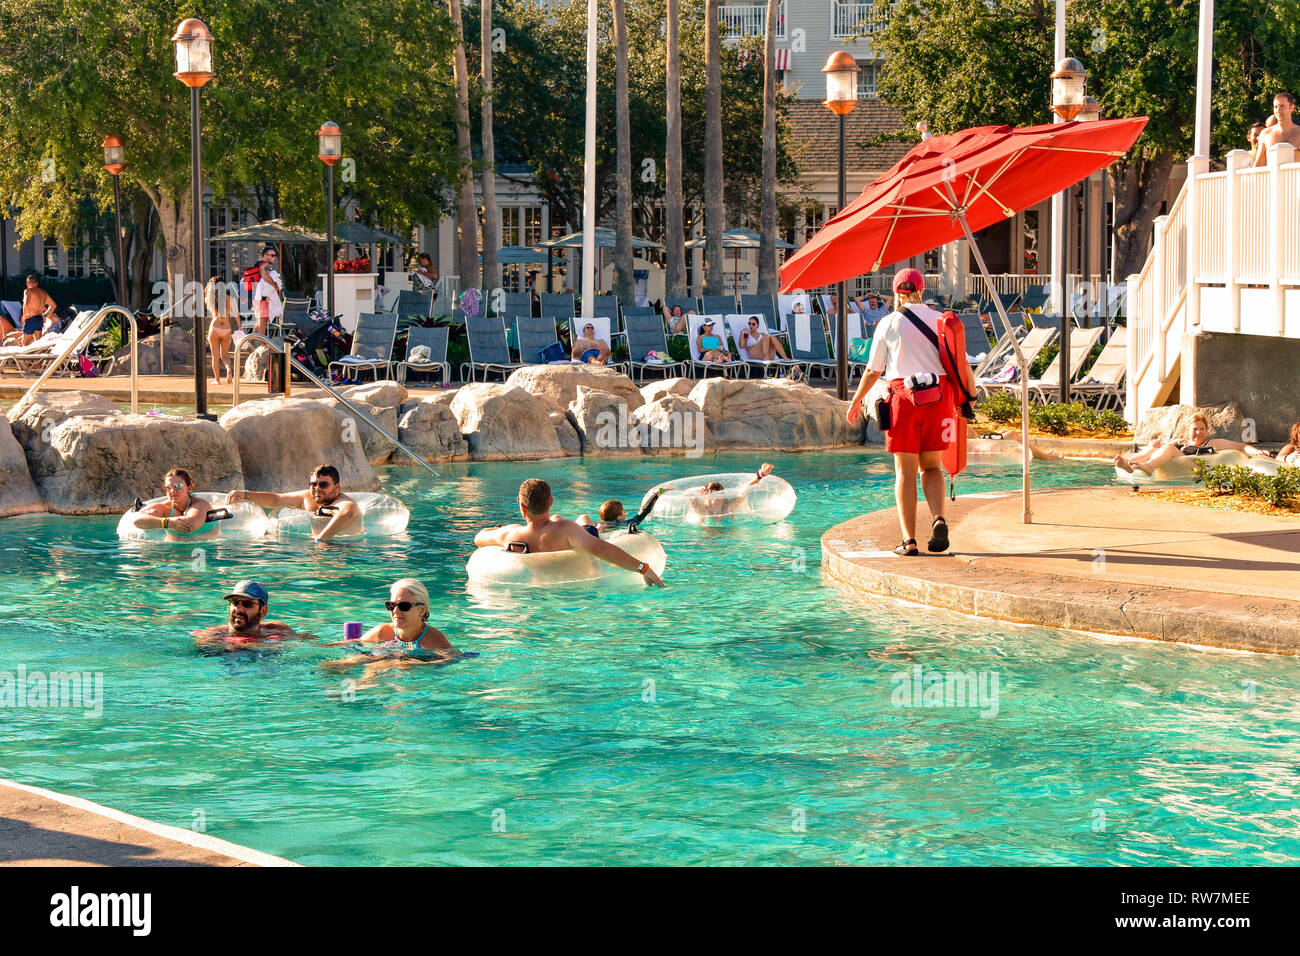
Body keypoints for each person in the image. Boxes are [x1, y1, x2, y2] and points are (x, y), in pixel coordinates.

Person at [846, 267, 972, 556]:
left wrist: (856, 400)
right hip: (938, 397)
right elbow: (960, 363)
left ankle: (909, 540)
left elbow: (874, 369)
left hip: (904, 398)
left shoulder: (888, 323)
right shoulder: (941, 320)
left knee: (905, 472)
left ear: (895, 292)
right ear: (921, 290)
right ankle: (939, 519)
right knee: (931, 466)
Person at [474, 478, 666, 586]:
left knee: (560, 519)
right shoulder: (566, 530)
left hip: (527, 546)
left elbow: (479, 538)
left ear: (523, 508)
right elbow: (603, 550)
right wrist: (643, 568)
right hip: (573, 542)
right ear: (550, 502)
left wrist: (502, 528)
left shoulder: (509, 535)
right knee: (581, 518)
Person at [322, 579, 457, 676]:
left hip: (409, 664)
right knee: (335, 666)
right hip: (385, 655)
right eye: (391, 605)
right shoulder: (384, 632)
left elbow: (455, 658)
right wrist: (312, 644)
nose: (396, 611)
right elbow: (353, 643)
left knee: (381, 666)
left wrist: (413, 665)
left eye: (404, 606)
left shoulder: (433, 639)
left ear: (422, 610)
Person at [228, 464, 361, 541]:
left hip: (341, 549)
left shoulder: (341, 501)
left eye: (324, 484)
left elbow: (349, 512)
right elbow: (276, 500)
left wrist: (321, 540)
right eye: (313, 484)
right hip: (315, 548)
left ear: (337, 487)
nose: (317, 488)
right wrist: (246, 494)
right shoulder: (307, 497)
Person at [1116, 414, 1271, 475]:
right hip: (1173, 458)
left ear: (1207, 431)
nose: (1198, 433)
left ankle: (1148, 467)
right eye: (1195, 430)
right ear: (1188, 430)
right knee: (1156, 447)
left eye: (1202, 429)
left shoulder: (1213, 443)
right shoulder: (1179, 441)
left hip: (1192, 466)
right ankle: (1130, 464)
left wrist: (1257, 452)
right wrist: (1154, 445)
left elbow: (1241, 446)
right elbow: (1161, 449)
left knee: (1168, 447)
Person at [192, 580, 316, 648]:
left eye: (247, 604)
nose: (238, 609)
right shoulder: (214, 634)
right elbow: (204, 646)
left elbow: (309, 643)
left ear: (263, 611)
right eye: (235, 602)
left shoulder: (277, 629)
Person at [129, 468, 217, 540]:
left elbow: (190, 525)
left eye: (178, 486)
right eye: (168, 487)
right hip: (174, 554)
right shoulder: (164, 507)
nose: (172, 491)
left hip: (205, 552)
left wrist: (169, 522)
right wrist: (167, 523)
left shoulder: (200, 505)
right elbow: (138, 521)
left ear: (189, 488)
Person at [688, 463, 774, 520]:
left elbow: (746, 490)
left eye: (717, 498)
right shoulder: (702, 511)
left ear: (723, 500)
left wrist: (761, 475)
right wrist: (700, 488)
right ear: (704, 500)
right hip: (706, 541)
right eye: (711, 498)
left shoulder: (729, 508)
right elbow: (687, 493)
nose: (714, 501)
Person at [205, 272, 238, 385]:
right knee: (225, 355)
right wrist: (240, 325)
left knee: (215, 356)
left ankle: (217, 380)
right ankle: (229, 370)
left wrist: (209, 287)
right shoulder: (229, 298)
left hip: (215, 326)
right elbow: (236, 314)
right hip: (226, 328)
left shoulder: (210, 298)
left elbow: (205, 295)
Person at [1254, 93, 1300, 166]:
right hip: (1274, 176)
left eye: (1282, 106)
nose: (1278, 110)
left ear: (1292, 107)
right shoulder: (1266, 134)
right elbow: (1258, 164)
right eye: (1275, 107)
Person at [252, 245, 283, 336]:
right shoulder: (266, 265)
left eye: (275, 255)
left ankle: (250, 343)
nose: (274, 258)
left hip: (260, 298)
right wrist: (276, 286)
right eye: (272, 255)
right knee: (262, 323)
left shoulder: (264, 265)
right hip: (262, 299)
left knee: (260, 322)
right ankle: (261, 346)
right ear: (265, 256)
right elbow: (265, 277)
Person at [19, 274, 57, 346]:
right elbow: (53, 305)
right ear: (37, 283)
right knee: (38, 343)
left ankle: (24, 357)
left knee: (24, 343)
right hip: (39, 318)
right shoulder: (43, 293)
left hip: (30, 318)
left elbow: (26, 304)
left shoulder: (28, 291)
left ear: (27, 283)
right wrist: (46, 315)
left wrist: (24, 316)